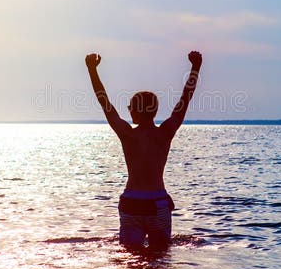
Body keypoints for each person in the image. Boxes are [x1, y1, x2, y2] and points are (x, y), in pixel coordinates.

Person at [85, 50, 203, 254]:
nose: (128, 109)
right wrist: (195, 67)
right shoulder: (164, 133)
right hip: (157, 203)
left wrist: (92, 70)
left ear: (135, 110)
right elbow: (185, 99)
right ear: (155, 111)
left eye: (130, 107)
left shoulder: (127, 135)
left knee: (131, 261)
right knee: (160, 261)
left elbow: (105, 103)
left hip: (131, 202)